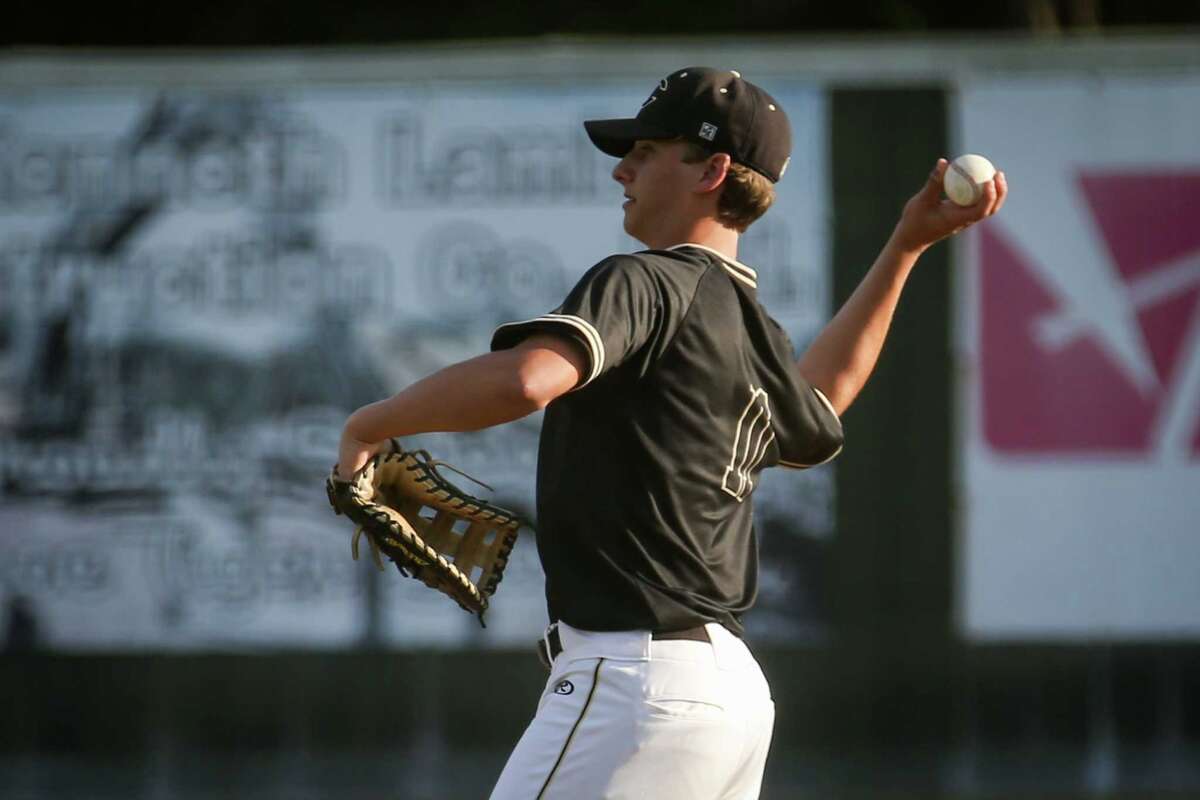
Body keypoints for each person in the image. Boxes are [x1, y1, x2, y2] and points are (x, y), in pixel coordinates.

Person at [336, 66, 1006, 800]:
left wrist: (373, 422)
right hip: (732, 704)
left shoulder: (645, 282)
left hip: (633, 684)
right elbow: (822, 400)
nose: (622, 168)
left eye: (647, 151)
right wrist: (906, 244)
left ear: (712, 169)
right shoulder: (751, 330)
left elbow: (529, 378)